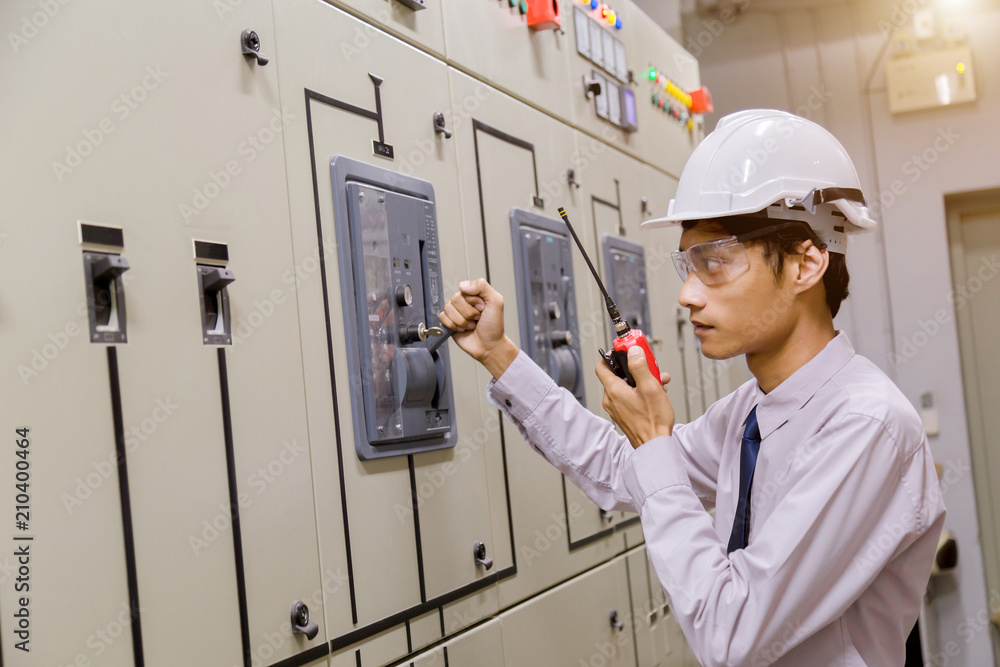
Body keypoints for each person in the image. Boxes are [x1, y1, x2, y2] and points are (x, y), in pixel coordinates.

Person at [439, 109, 947, 665]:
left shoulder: (865, 426)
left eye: (715, 262)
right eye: (688, 264)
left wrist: (654, 439)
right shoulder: (751, 413)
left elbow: (731, 633)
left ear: (806, 263)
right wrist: (499, 355)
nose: (687, 296)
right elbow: (623, 471)